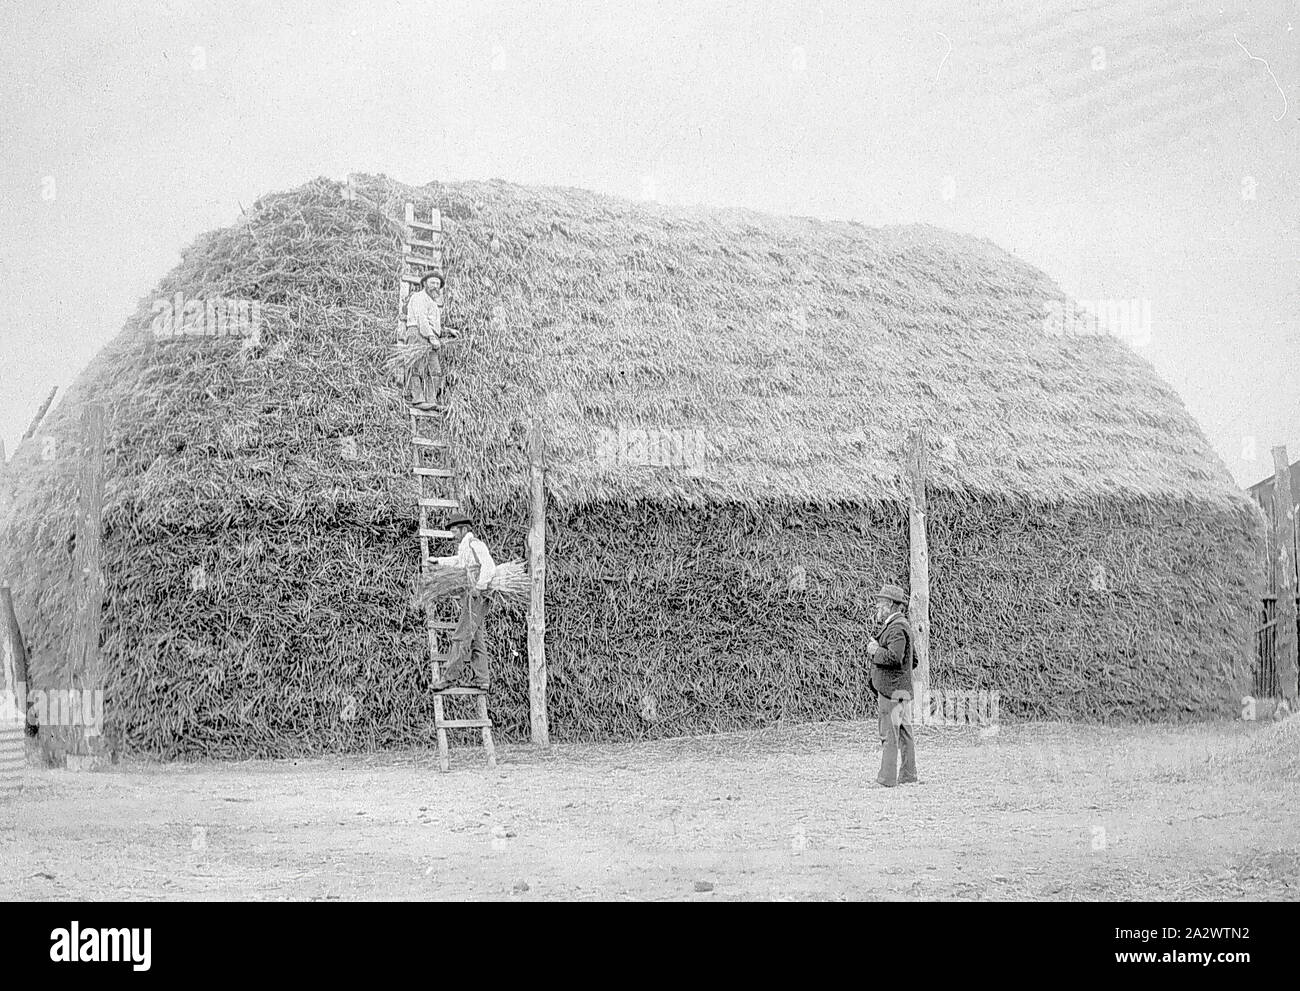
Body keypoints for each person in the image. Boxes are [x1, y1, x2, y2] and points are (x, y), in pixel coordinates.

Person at [430, 514, 496, 692]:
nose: (453, 534)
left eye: (454, 531)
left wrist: (480, 587)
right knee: (476, 637)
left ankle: (449, 678)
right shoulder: (465, 547)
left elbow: (489, 566)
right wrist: (439, 561)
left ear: (464, 529)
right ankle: (482, 679)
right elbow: (460, 563)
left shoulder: (475, 544)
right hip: (473, 594)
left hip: (476, 595)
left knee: (462, 634)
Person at [867, 583, 918, 787]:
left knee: (889, 734)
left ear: (890, 604)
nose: (877, 606)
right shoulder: (903, 626)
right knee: (905, 732)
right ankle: (908, 775)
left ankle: (886, 779)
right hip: (902, 689)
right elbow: (913, 661)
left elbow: (895, 658)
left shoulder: (896, 628)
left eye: (880, 602)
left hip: (890, 691)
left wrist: (875, 651)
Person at [404, 271, 455, 411]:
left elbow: (432, 324)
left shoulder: (432, 302)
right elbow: (422, 319)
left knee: (435, 371)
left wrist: (448, 331)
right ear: (425, 283)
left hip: (429, 336)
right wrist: (432, 337)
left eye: (438, 284)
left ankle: (431, 400)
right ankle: (418, 399)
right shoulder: (419, 297)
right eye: (432, 283)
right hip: (417, 334)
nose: (435, 286)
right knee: (417, 368)